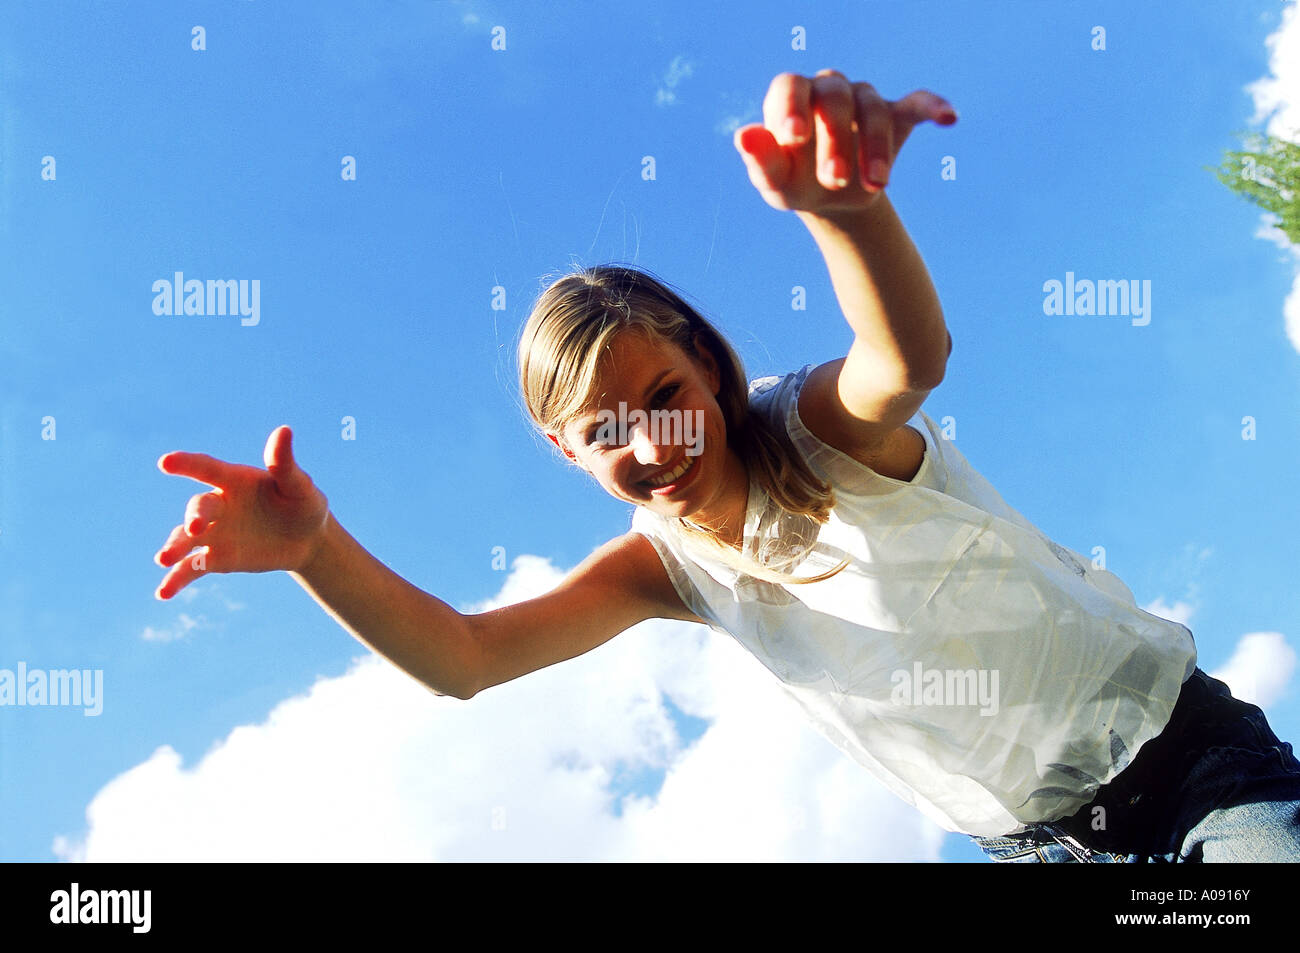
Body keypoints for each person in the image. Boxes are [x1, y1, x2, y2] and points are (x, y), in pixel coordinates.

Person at [153, 69, 1300, 862]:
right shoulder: (663, 570)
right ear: (566, 452)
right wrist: (314, 550)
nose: (653, 446)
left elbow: (907, 358)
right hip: (1035, 843)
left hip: (1185, 761)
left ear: (707, 366)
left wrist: (844, 213)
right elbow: (464, 658)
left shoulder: (809, 428)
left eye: (663, 399)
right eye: (604, 434)